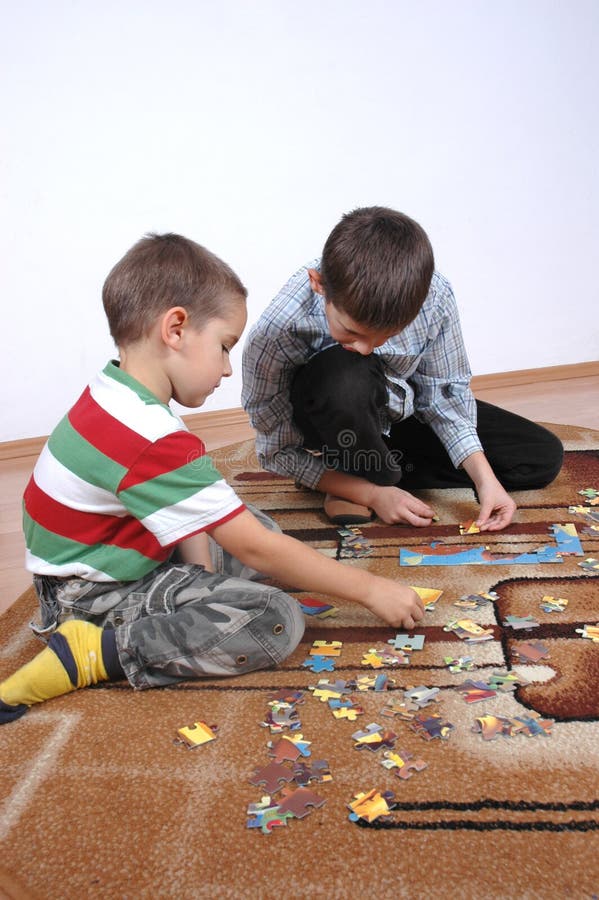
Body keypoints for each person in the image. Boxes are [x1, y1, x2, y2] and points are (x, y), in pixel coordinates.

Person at [0, 233, 425, 726]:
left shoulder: (118, 394)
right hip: (91, 598)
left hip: (97, 565)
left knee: (256, 526)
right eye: (224, 348)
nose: (227, 369)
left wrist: (202, 581)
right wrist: (370, 589)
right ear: (176, 328)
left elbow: (207, 526)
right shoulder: (149, 436)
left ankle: (182, 599)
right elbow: (254, 552)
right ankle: (96, 653)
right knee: (275, 618)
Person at [241, 206, 563, 529]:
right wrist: (372, 495)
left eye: (388, 336)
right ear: (318, 284)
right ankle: (357, 475)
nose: (367, 347)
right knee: (345, 374)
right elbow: (276, 451)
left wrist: (484, 481)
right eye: (352, 331)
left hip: (397, 413)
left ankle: (368, 470)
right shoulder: (277, 330)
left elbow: (442, 398)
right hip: (335, 419)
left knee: (540, 458)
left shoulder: (433, 296)